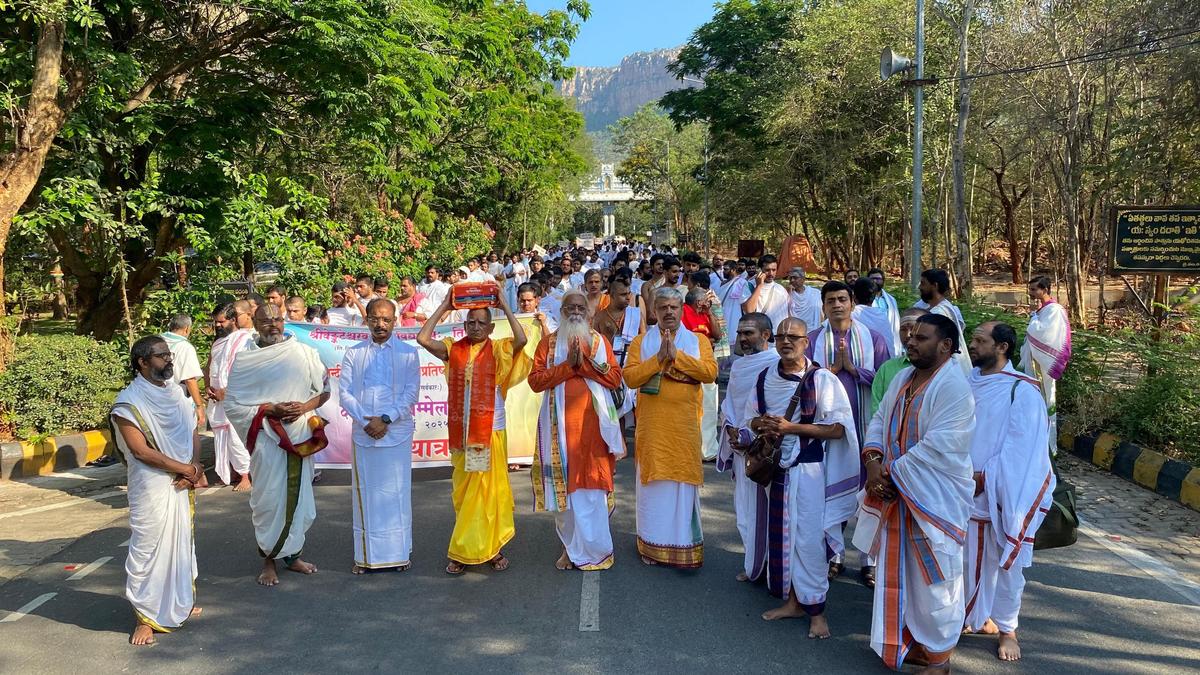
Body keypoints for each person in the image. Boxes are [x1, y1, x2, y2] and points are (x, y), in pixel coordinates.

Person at [853, 314, 976, 674]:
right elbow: (879, 420)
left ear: (946, 346)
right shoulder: (904, 378)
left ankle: (940, 660)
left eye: (921, 338)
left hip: (932, 501)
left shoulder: (954, 386)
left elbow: (940, 447)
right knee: (903, 573)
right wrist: (874, 464)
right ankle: (917, 644)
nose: (911, 341)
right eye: (910, 335)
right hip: (896, 493)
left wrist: (887, 473)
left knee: (936, 579)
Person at [745, 318, 858, 638]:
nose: (785, 342)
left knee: (809, 541)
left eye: (793, 337)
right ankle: (793, 602)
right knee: (783, 537)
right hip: (777, 471)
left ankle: (817, 612)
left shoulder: (822, 379)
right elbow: (749, 417)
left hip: (809, 472)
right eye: (780, 336)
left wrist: (791, 428)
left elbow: (838, 429)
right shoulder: (765, 376)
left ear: (806, 342)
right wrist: (761, 425)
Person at [417, 290, 530, 575]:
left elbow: (522, 340)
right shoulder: (453, 349)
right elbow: (422, 338)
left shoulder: (499, 349)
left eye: (481, 323)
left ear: (491, 327)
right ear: (464, 325)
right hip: (462, 433)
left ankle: (488, 548)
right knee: (466, 494)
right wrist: (445, 304)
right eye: (471, 322)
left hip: (487, 432)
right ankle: (466, 547)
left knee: (486, 494)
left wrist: (504, 304)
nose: (476, 327)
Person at [964, 321, 1055, 662]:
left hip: (1002, 494)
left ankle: (1007, 630)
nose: (972, 345)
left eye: (980, 340)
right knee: (962, 560)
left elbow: (1024, 450)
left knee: (1005, 565)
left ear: (1002, 347)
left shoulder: (1023, 390)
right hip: (960, 490)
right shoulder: (965, 381)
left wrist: (985, 478)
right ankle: (971, 615)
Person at [224, 304, 330, 586]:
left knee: (300, 500)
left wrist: (301, 408)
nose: (273, 325)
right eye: (265, 321)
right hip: (266, 438)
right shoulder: (245, 359)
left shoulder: (303, 353)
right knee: (269, 500)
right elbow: (232, 404)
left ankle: (293, 556)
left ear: (284, 321)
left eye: (277, 319)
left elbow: (324, 391)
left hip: (299, 435)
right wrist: (270, 409)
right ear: (255, 324)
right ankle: (268, 560)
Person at [111, 336, 203, 646]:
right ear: (142, 362)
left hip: (182, 479)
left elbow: (192, 430)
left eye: (169, 355)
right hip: (151, 484)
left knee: (180, 544)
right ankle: (145, 617)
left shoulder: (177, 392)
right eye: (162, 356)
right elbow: (140, 451)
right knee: (148, 549)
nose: (169, 360)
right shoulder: (129, 402)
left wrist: (194, 467)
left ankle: (179, 601)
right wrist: (185, 470)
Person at [528, 290, 626, 570]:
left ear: (589, 312)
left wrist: (581, 365)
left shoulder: (598, 342)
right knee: (565, 494)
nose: (575, 312)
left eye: (580, 308)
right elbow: (535, 381)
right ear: (561, 311)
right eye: (570, 307)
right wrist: (567, 367)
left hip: (594, 430)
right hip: (559, 431)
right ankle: (569, 549)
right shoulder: (548, 343)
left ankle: (595, 550)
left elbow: (615, 377)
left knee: (591, 488)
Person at [622, 287, 718, 568]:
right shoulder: (641, 342)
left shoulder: (699, 341)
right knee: (652, 489)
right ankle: (651, 547)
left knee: (681, 487)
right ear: (654, 311)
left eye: (673, 307)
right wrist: (658, 360)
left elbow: (710, 373)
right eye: (662, 307)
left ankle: (683, 547)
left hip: (684, 428)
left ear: (681, 309)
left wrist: (677, 356)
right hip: (652, 430)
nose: (668, 312)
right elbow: (630, 377)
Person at [806, 280, 891, 584]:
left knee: (870, 494)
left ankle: (869, 560)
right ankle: (834, 555)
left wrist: (855, 370)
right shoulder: (813, 339)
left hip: (866, 429)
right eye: (831, 301)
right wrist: (826, 373)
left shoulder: (875, 339)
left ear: (852, 303)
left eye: (842, 299)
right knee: (830, 490)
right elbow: (803, 382)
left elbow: (886, 383)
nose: (837, 305)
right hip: (830, 432)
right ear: (824, 306)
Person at [339, 299, 422, 574]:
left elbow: (411, 393)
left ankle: (399, 555)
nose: (380, 324)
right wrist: (366, 421)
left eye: (386, 319)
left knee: (397, 492)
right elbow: (345, 393)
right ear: (367, 321)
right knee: (367, 492)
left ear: (395, 321)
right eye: (375, 319)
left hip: (396, 431)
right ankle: (365, 557)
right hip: (364, 432)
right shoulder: (354, 354)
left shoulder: (408, 353)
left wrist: (386, 419)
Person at [715, 312, 777, 583]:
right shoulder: (739, 366)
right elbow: (729, 403)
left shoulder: (776, 364)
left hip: (764, 449)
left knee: (765, 511)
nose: (742, 338)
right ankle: (753, 563)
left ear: (765, 335)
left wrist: (749, 434)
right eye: (740, 333)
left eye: (748, 333)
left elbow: (773, 409)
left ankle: (769, 566)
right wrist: (730, 427)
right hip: (739, 446)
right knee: (743, 510)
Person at [206, 300, 255, 491]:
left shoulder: (245, 339)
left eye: (222, 322)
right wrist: (209, 387)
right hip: (217, 398)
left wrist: (225, 392)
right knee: (223, 436)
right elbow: (211, 366)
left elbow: (243, 370)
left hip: (237, 396)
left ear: (233, 320)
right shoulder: (218, 342)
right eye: (216, 322)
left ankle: (246, 476)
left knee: (236, 436)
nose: (218, 326)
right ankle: (232, 471)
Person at [1020, 275, 1071, 450]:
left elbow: (1043, 335)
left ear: (1045, 290)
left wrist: (1034, 317)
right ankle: (1032, 442)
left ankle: (1047, 446)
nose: (1031, 293)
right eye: (1030, 289)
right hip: (1034, 361)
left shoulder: (1054, 310)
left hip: (1044, 364)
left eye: (1034, 289)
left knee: (1044, 399)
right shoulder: (1043, 309)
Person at [593, 277, 644, 420]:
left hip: (632, 365)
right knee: (615, 413)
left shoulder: (635, 314)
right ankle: (617, 442)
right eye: (623, 294)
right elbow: (595, 345)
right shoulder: (600, 317)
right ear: (612, 295)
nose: (628, 297)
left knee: (637, 412)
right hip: (610, 368)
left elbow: (644, 341)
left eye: (629, 293)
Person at [682, 285, 723, 462]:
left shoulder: (705, 313)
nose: (709, 303)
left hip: (707, 365)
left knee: (709, 409)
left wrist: (711, 313)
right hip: (689, 366)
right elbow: (686, 338)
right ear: (699, 302)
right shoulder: (683, 312)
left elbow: (718, 336)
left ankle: (707, 450)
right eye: (707, 301)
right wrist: (706, 340)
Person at [871, 308, 929, 415]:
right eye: (903, 329)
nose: (907, 335)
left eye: (913, 328)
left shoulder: (937, 368)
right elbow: (876, 412)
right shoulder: (887, 368)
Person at [918, 269, 971, 376]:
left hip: (946, 368)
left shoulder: (939, 313)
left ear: (935, 285)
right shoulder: (944, 307)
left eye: (923, 283)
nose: (919, 287)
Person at [159, 314, 206, 429]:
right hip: (176, 399)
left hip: (155, 395)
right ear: (187, 328)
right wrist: (199, 406)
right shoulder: (185, 347)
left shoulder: (156, 341)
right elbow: (190, 379)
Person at [850, 279, 896, 359]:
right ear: (874, 297)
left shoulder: (851, 316)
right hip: (885, 365)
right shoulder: (882, 315)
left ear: (854, 297)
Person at [742, 254, 789, 328]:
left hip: (777, 335)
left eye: (774, 270)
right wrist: (759, 286)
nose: (771, 274)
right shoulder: (748, 286)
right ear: (760, 270)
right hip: (758, 333)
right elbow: (749, 310)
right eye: (767, 270)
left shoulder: (781, 289)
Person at [868, 268, 902, 356]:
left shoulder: (891, 300)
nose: (875, 281)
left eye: (878, 279)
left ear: (883, 281)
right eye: (872, 279)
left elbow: (896, 322)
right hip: (872, 338)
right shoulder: (865, 299)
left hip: (889, 337)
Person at [787, 266, 824, 330]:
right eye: (790, 278)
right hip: (796, 330)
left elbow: (822, 313)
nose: (792, 280)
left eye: (795, 278)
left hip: (814, 329)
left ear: (803, 279)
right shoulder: (787, 294)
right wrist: (788, 294)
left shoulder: (815, 293)